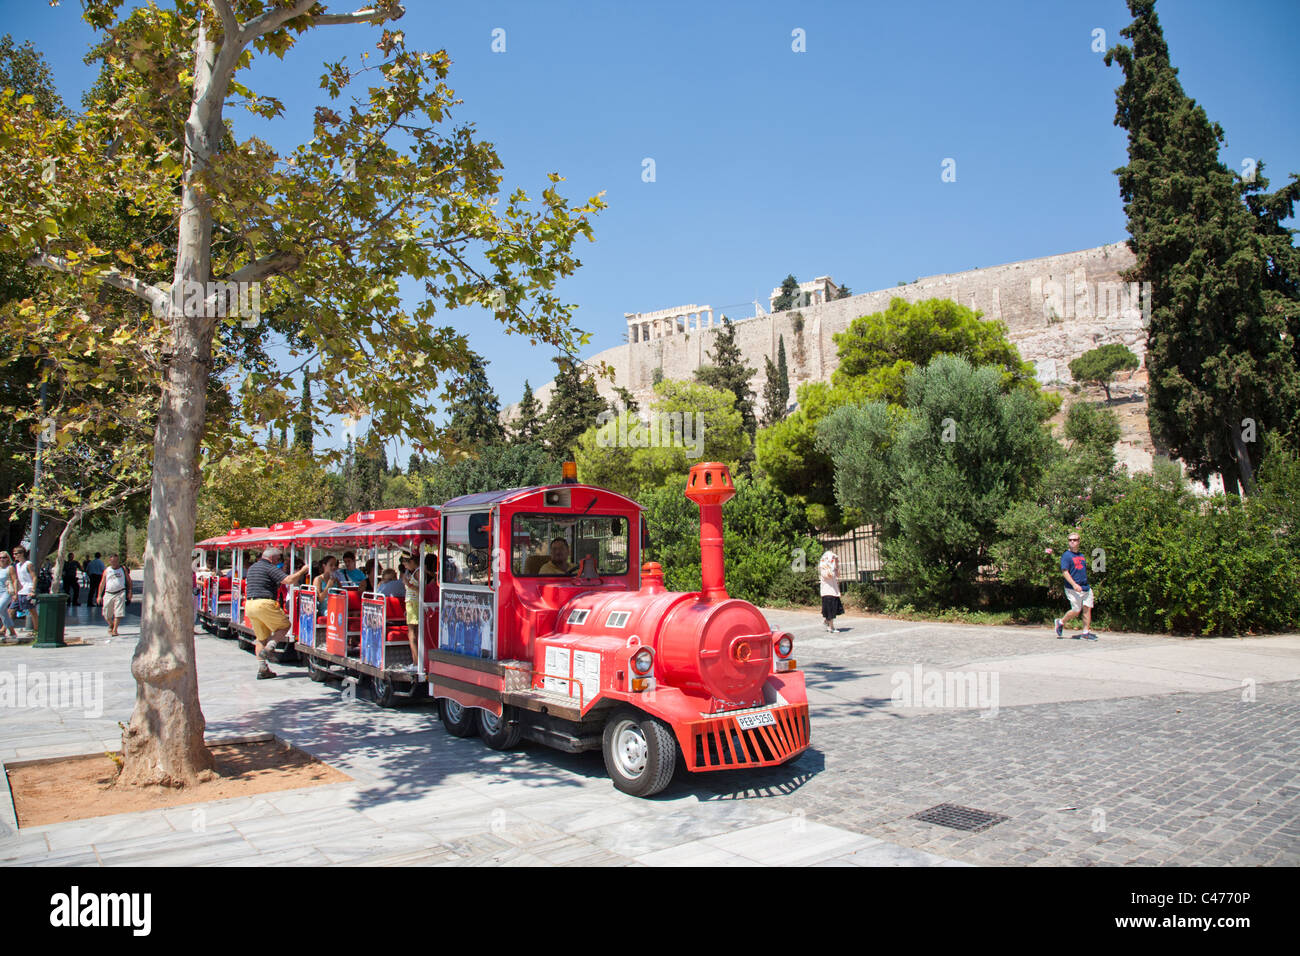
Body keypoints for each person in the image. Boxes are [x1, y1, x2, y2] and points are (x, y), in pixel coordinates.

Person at [244, 546, 310, 679]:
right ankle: (270, 647)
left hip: (250, 604)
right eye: (278, 559)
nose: (278, 561)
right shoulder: (269, 567)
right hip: (264, 603)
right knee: (285, 625)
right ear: (272, 558)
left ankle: (263, 668)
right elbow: (289, 581)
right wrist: (302, 571)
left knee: (261, 638)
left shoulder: (252, 568)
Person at [1055, 531, 1098, 641]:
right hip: (1072, 588)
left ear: (1079, 541)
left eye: (1075, 540)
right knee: (1076, 610)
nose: (1072, 542)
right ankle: (1060, 622)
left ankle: (1085, 633)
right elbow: (1065, 572)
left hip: (1085, 587)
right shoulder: (1066, 555)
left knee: (1087, 608)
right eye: (1070, 540)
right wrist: (1074, 584)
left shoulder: (1081, 556)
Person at [97, 553, 131, 637]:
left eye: (116, 561)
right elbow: (102, 583)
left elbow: (129, 581)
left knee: (118, 613)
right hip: (109, 593)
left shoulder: (123, 569)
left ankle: (115, 630)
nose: (115, 563)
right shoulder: (107, 570)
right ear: (109, 561)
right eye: (113, 561)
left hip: (120, 592)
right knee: (106, 614)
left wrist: (130, 592)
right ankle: (111, 624)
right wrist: (99, 595)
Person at [12, 546, 37, 635]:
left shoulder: (28, 564)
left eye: (16, 554)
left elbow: (34, 577)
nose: (15, 556)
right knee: (11, 609)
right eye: (14, 554)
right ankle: (5, 629)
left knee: (31, 611)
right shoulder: (17, 565)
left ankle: (36, 630)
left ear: (22, 554)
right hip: (20, 591)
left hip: (28, 590)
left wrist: (33, 590)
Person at [819, 551, 843, 633]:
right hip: (827, 593)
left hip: (834, 592)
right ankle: (831, 627)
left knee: (834, 610)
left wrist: (836, 565)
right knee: (830, 611)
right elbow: (829, 575)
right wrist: (831, 566)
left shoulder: (833, 568)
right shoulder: (824, 568)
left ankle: (827, 621)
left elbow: (838, 575)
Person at [0, 551, 20, 641]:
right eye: (0, 557)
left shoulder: (10, 568)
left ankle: (7, 630)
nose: (2, 559)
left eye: (4, 557)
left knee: (0, 609)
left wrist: (15, 593)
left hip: (7, 592)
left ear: (8, 558)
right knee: (3, 613)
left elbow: (14, 580)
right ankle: (12, 632)